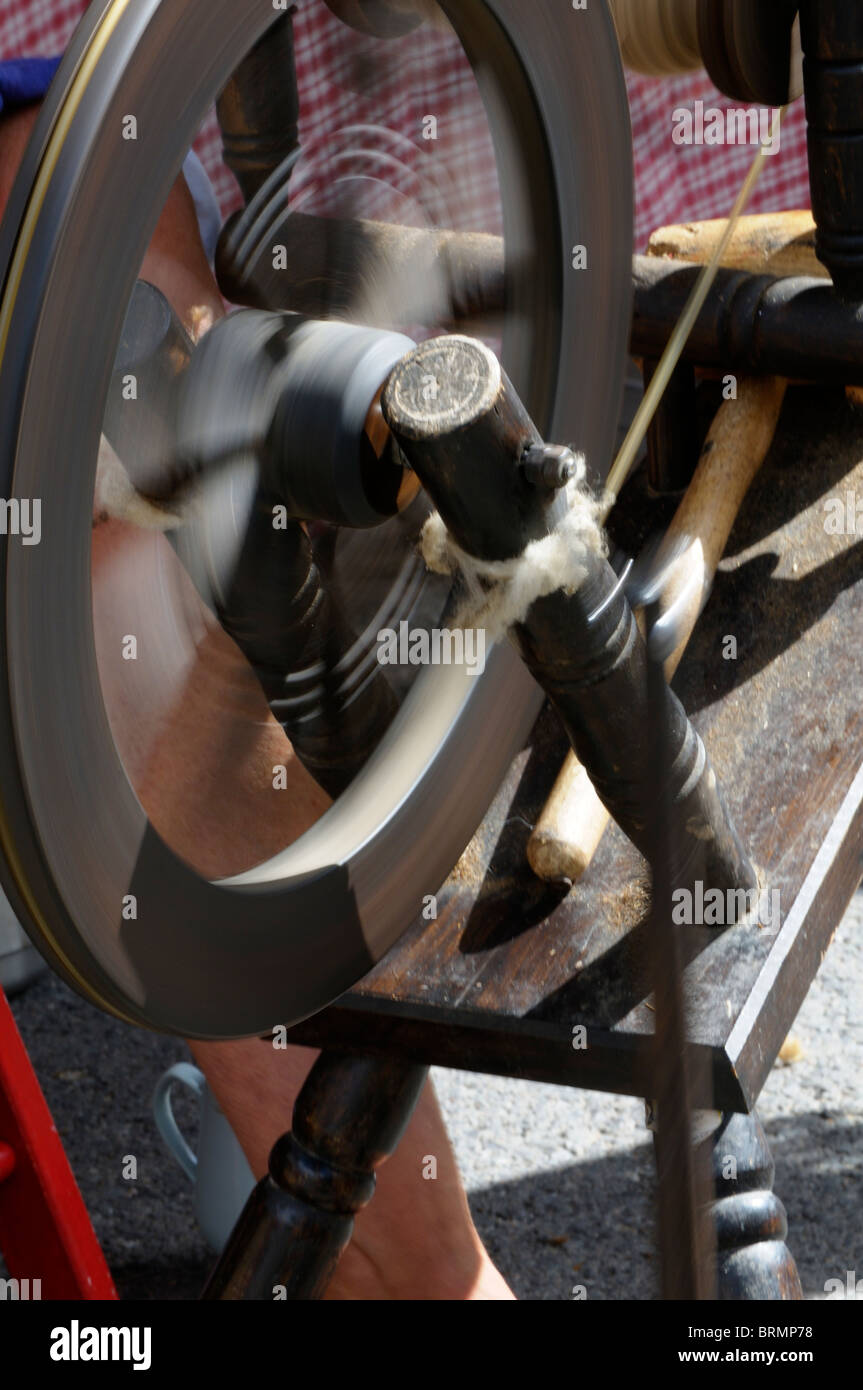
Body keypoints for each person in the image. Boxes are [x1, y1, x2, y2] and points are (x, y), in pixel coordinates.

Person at [0, 0, 813, 1300]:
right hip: (318, 277)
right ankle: (437, 1278)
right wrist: (165, 348)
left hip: (674, 251)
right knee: (102, 584)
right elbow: (46, 113)